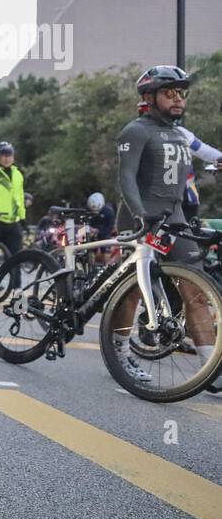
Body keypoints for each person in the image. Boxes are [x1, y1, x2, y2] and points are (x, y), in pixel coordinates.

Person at [110, 66, 214, 378]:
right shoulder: (136, 131)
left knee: (194, 289)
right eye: (170, 93)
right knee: (134, 291)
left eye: (182, 93)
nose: (178, 98)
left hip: (175, 219)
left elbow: (210, 157)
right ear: (149, 96)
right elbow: (125, 177)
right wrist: (141, 214)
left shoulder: (180, 135)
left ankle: (210, 370)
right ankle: (121, 353)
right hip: (141, 216)